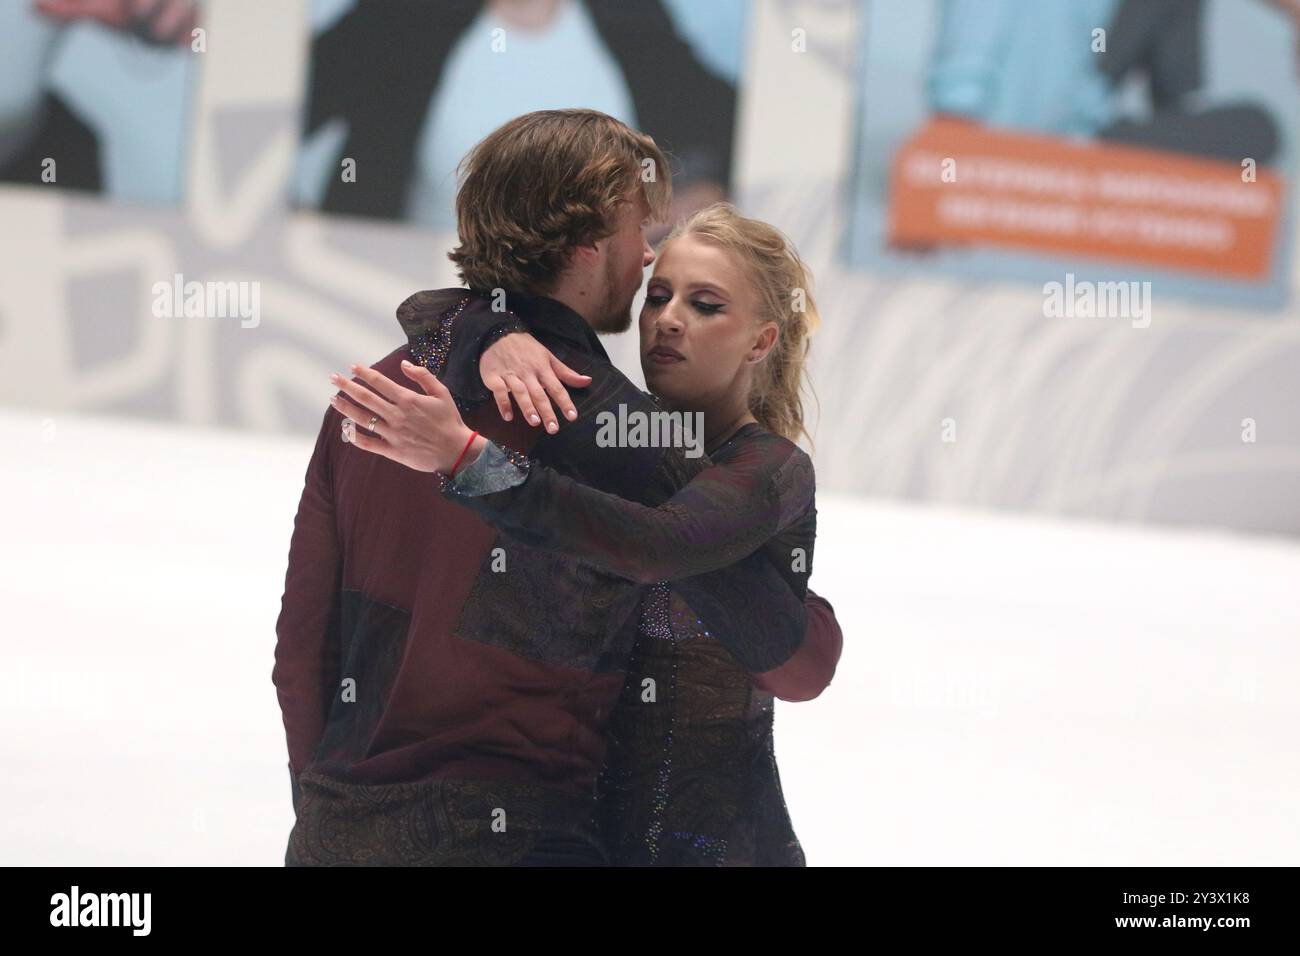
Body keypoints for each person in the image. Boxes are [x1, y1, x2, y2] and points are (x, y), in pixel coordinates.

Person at [273, 109, 835, 866]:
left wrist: (322, 809)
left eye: (701, 303)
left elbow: (301, 649)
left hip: (337, 825)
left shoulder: (375, 398)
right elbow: (790, 650)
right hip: (516, 833)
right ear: (589, 243)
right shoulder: (617, 429)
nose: (645, 264)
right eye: (643, 234)